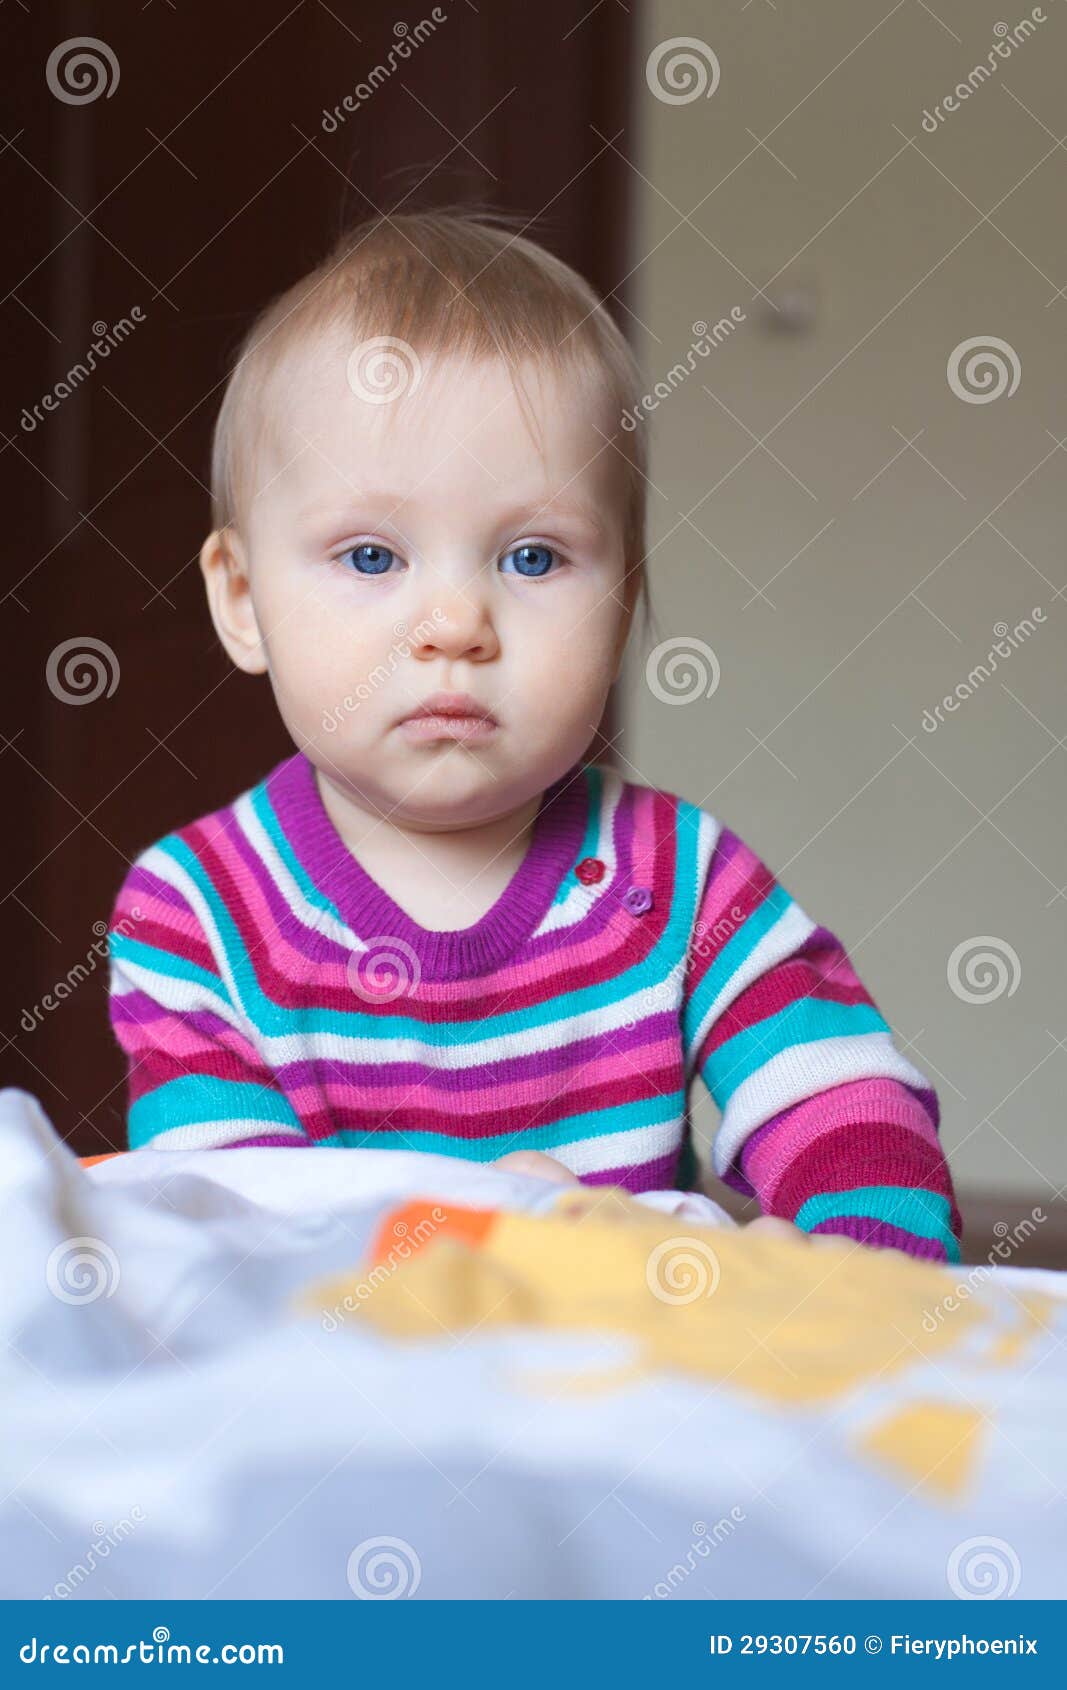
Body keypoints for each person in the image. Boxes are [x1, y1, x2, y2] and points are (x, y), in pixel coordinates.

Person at [106, 208, 961, 1263]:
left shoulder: (677, 878)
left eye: (532, 558)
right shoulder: (196, 913)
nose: (454, 626)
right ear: (242, 599)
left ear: (622, 608)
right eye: (372, 558)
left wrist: (868, 1276)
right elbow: (225, 1235)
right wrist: (478, 1243)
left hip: (618, 1377)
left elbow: (839, 1098)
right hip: (345, 1387)